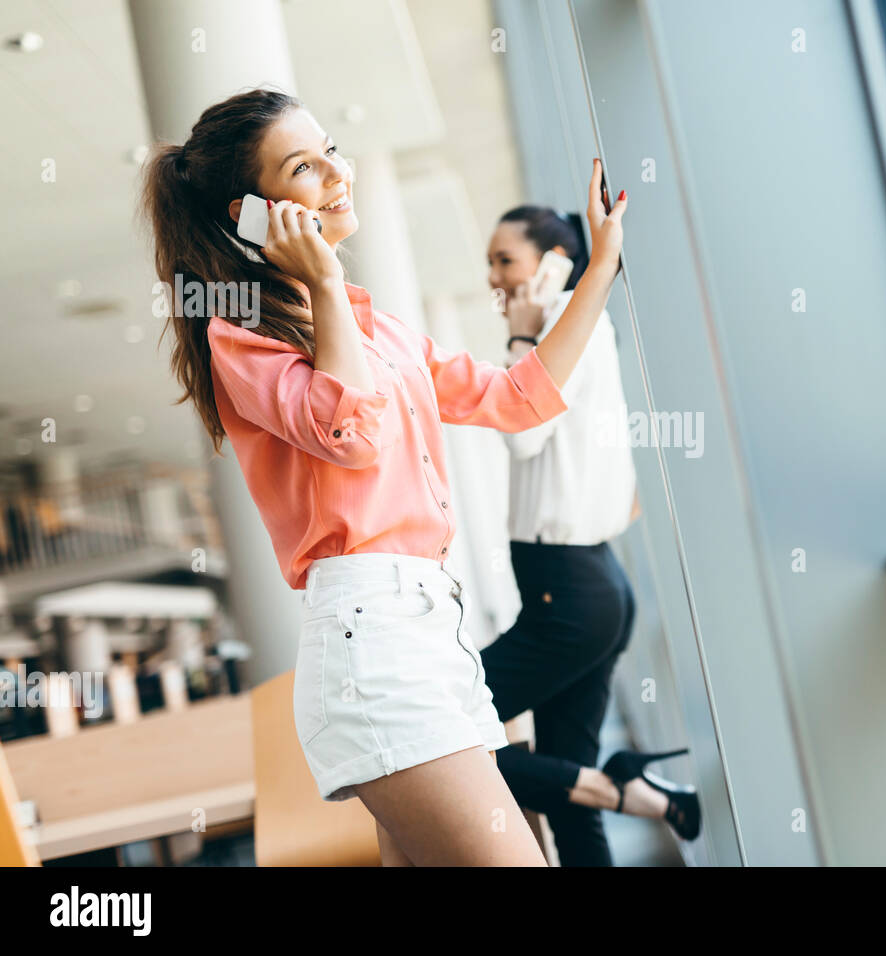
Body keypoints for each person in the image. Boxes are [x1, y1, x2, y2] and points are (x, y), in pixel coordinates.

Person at [142, 87, 626, 866]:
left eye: (332, 149)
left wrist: (599, 268)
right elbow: (352, 435)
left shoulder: (380, 328)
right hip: (373, 645)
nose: (338, 173)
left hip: (434, 635)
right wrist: (326, 284)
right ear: (253, 214)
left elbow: (517, 398)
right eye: (305, 166)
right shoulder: (243, 337)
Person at [482, 205, 700, 866]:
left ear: (554, 264)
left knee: (436, 733)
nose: (492, 276)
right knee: (570, 815)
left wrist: (521, 339)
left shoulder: (559, 328)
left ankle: (622, 789)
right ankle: (621, 787)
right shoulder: (581, 326)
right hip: (587, 589)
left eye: (505, 260)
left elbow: (523, 434)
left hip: (571, 598)